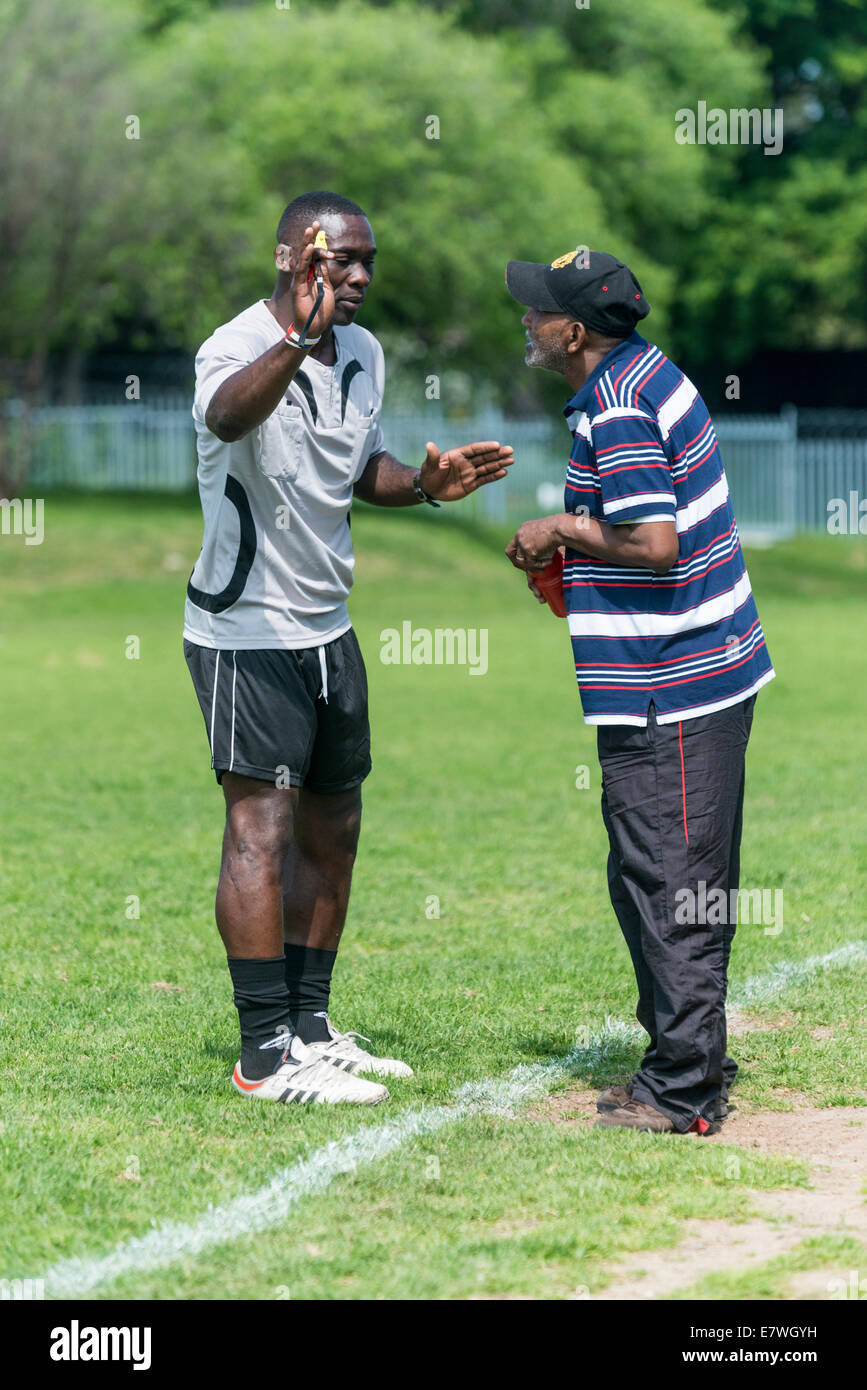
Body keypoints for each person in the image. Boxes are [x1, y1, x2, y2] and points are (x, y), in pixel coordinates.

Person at [184, 190, 513, 1107]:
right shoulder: (234, 343)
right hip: (244, 629)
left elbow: (357, 466)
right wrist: (294, 339)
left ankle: (310, 1029)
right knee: (262, 830)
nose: (360, 277)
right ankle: (262, 1056)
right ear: (296, 256)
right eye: (343, 259)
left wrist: (426, 482)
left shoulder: (364, 352)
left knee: (334, 829)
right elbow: (225, 418)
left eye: (369, 263)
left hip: (328, 625)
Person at [504, 248, 774, 1134]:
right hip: (701, 672)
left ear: (573, 331)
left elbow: (655, 545)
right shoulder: (645, 374)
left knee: (667, 881)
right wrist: (573, 559)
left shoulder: (615, 407)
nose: (527, 323)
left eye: (538, 312)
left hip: (672, 686)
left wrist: (560, 527)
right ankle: (690, 1054)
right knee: (671, 879)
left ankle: (683, 1091)